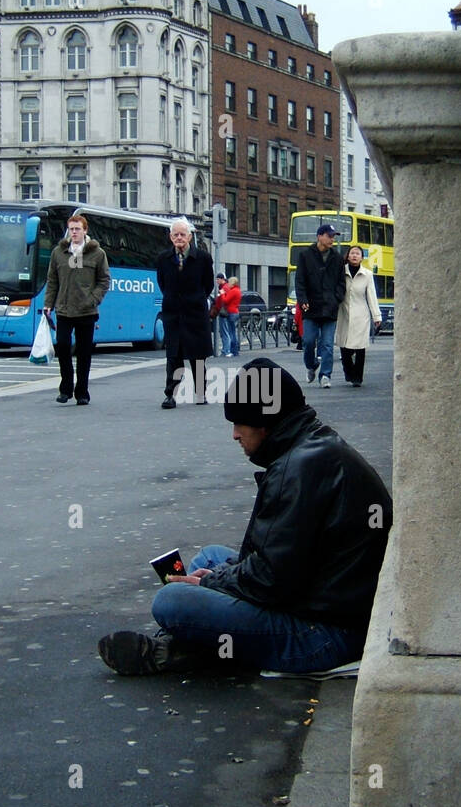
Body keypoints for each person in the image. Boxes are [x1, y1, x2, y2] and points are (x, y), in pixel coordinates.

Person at [97, 357, 393, 677]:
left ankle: (186, 649)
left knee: (171, 601)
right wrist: (217, 578)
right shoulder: (311, 447)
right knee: (211, 556)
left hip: (325, 635)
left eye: (240, 423)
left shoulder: (296, 470)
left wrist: (211, 582)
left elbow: (270, 581)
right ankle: (198, 646)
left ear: (265, 421)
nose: (235, 435)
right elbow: (277, 564)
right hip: (327, 603)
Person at [42, 213, 110, 406]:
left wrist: (94, 299)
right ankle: (65, 388)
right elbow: (52, 280)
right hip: (64, 310)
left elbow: (104, 280)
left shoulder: (97, 254)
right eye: (71, 229)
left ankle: (82, 392)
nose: (74, 232)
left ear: (85, 230)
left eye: (77, 229)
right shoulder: (59, 252)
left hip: (86, 311)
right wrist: (48, 304)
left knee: (84, 353)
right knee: (62, 346)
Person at [156, 217, 214, 408]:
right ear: (170, 237)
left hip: (195, 314)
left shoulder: (203, 258)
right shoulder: (163, 259)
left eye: (183, 234)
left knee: (198, 357)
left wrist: (195, 299)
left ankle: (200, 393)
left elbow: (208, 285)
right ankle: (170, 394)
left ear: (189, 236)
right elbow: (162, 283)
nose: (179, 238)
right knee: (174, 356)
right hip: (173, 314)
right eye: (175, 235)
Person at [294, 223, 345, 387]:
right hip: (311, 307)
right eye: (329, 236)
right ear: (319, 236)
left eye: (333, 236)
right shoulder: (305, 255)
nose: (332, 239)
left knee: (328, 344)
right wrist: (303, 301)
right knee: (308, 341)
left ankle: (325, 375)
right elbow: (299, 281)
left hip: (330, 308)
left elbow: (341, 283)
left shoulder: (337, 258)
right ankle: (311, 365)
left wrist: (337, 298)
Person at [337, 245, 382, 388]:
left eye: (358, 254)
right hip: (343, 313)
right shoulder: (340, 272)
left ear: (362, 257)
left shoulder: (367, 274)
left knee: (360, 347)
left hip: (361, 315)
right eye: (352, 253)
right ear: (348, 256)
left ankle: (358, 377)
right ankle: (348, 371)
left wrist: (377, 316)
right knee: (344, 347)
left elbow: (372, 296)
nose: (355, 256)